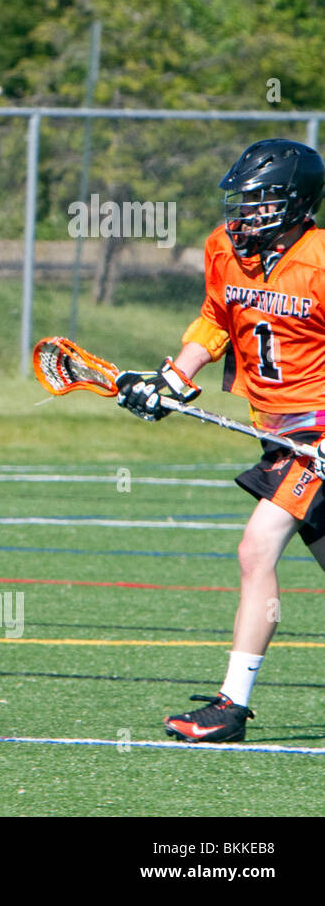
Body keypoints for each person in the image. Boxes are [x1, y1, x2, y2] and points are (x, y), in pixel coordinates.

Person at [115, 138, 325, 742]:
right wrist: (173, 382)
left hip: (319, 434)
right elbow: (215, 318)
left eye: (259, 200)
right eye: (242, 198)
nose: (244, 211)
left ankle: (231, 707)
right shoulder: (223, 249)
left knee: (256, 548)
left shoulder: (318, 260)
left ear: (295, 204)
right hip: (279, 436)